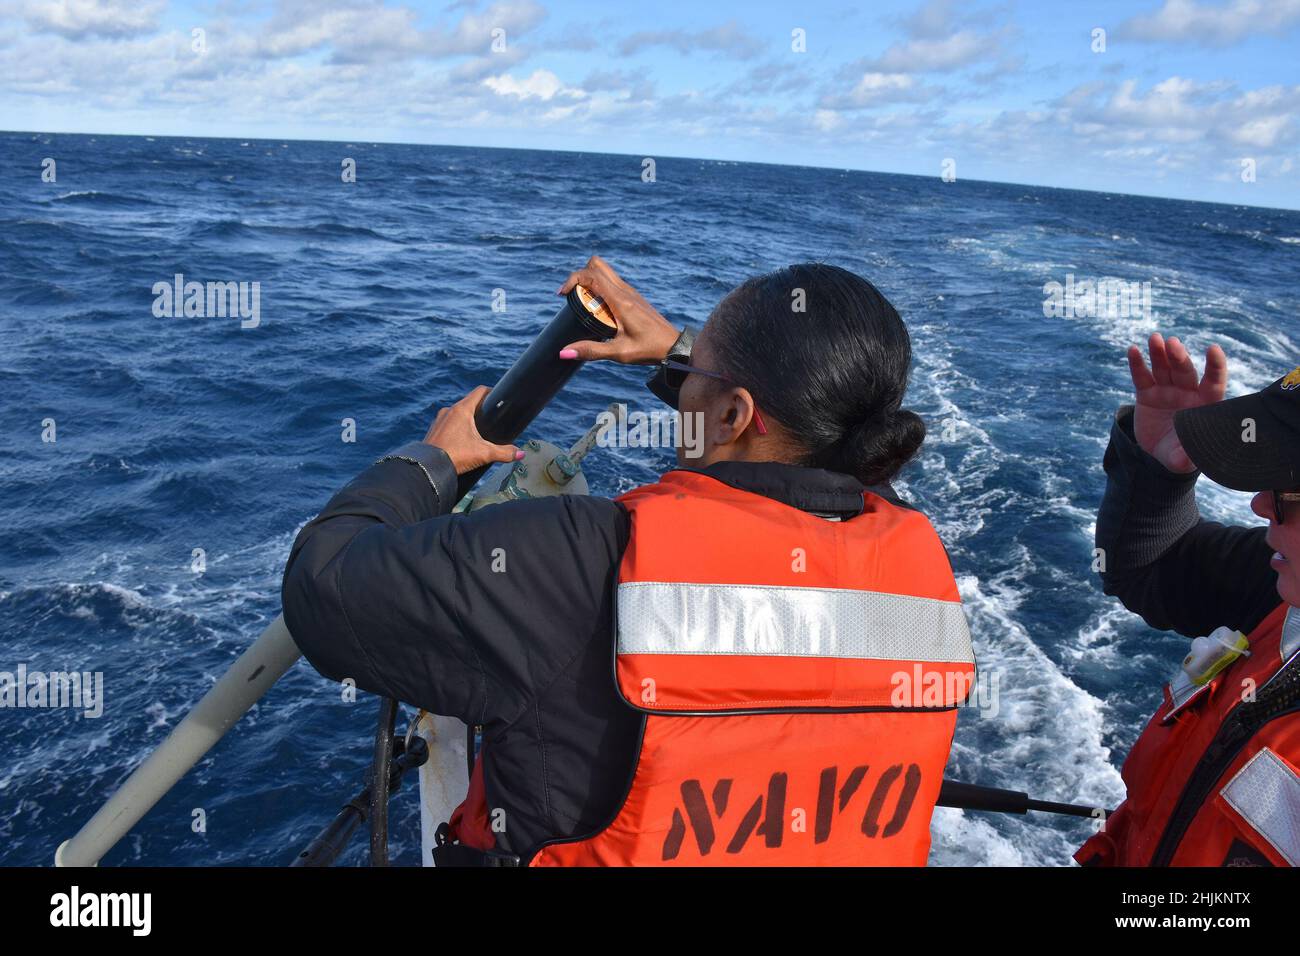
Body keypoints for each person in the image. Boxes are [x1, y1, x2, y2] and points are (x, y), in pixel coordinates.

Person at [282, 257, 975, 866]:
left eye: (700, 372)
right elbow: (823, 448)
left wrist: (432, 461)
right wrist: (680, 354)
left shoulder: (587, 562)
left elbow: (323, 585)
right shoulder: (916, 559)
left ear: (735, 414)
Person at [1076, 333, 1300, 867]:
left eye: (1290, 492)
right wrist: (1161, 473)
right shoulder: (1281, 591)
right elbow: (1152, 568)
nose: (1259, 505)